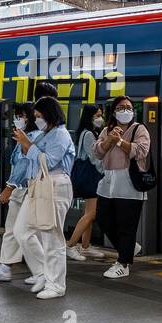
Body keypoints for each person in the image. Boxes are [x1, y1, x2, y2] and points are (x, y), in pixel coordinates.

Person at [13, 96, 75, 299]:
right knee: (22, 230)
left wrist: (27, 145)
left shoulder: (60, 135)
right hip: (37, 186)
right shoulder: (43, 134)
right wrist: (26, 145)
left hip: (54, 186)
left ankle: (56, 285)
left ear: (49, 114)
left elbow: (48, 162)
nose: (36, 119)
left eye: (39, 116)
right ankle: (42, 273)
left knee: (52, 237)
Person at [94, 95, 151, 279]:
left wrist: (119, 141)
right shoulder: (106, 131)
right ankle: (128, 248)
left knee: (127, 225)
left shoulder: (139, 129)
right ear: (114, 111)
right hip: (108, 184)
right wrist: (109, 140)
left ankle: (123, 263)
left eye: (128, 107)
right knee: (103, 218)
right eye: (121, 107)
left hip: (130, 185)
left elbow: (141, 151)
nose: (125, 110)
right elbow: (98, 152)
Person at [0, 102, 37, 282]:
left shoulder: (31, 137)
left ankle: (41, 272)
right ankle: (7, 266)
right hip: (23, 189)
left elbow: (24, 164)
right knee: (16, 229)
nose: (17, 119)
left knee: (21, 230)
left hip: (24, 189)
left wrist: (9, 187)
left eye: (20, 116)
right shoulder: (25, 135)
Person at [66, 104, 106, 261]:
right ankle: (70, 245)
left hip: (88, 178)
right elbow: (94, 158)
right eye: (97, 115)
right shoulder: (89, 134)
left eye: (100, 115)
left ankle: (85, 246)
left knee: (89, 212)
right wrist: (106, 171)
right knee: (91, 213)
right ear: (89, 117)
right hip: (91, 178)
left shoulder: (85, 132)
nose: (100, 118)